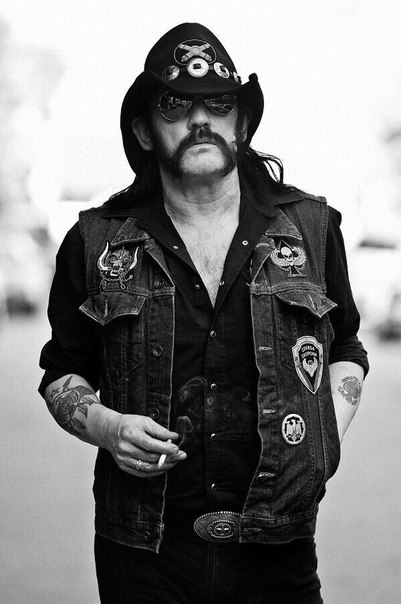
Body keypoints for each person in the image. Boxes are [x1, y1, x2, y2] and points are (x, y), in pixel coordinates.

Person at [39, 22, 369, 604]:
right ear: (144, 130)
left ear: (241, 122)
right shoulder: (94, 242)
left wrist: (325, 439)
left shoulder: (312, 229)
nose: (200, 119)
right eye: (175, 105)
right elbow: (63, 374)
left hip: (279, 548)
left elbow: (345, 347)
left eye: (219, 103)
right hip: (144, 554)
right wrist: (108, 428)